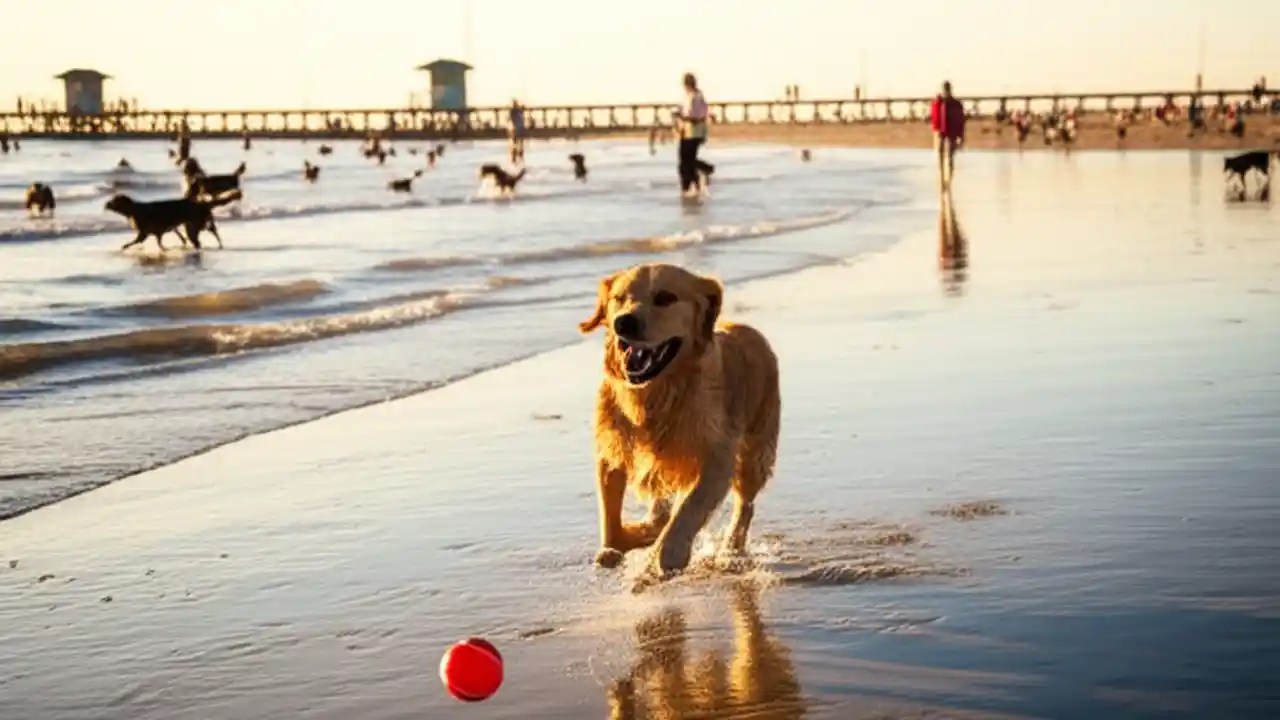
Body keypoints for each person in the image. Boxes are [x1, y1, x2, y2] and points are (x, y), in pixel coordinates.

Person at [674, 72, 715, 194]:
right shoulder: (688, 96)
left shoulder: (696, 96)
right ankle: (692, 186)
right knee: (685, 161)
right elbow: (684, 110)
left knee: (687, 162)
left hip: (693, 132)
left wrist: (682, 117)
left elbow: (696, 116)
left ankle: (702, 173)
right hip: (687, 132)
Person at [929, 81, 965, 190]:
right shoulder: (938, 102)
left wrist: (961, 136)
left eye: (947, 89)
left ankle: (948, 180)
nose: (946, 91)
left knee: (950, 158)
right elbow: (934, 117)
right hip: (940, 132)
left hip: (951, 132)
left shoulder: (956, 104)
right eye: (945, 89)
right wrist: (935, 129)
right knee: (940, 156)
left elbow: (961, 120)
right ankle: (941, 180)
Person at [508, 99, 527, 165]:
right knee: (516, 144)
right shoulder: (514, 111)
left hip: (519, 129)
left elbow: (522, 110)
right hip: (516, 129)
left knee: (519, 144)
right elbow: (512, 118)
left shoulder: (516, 111)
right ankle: (515, 158)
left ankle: (518, 157)